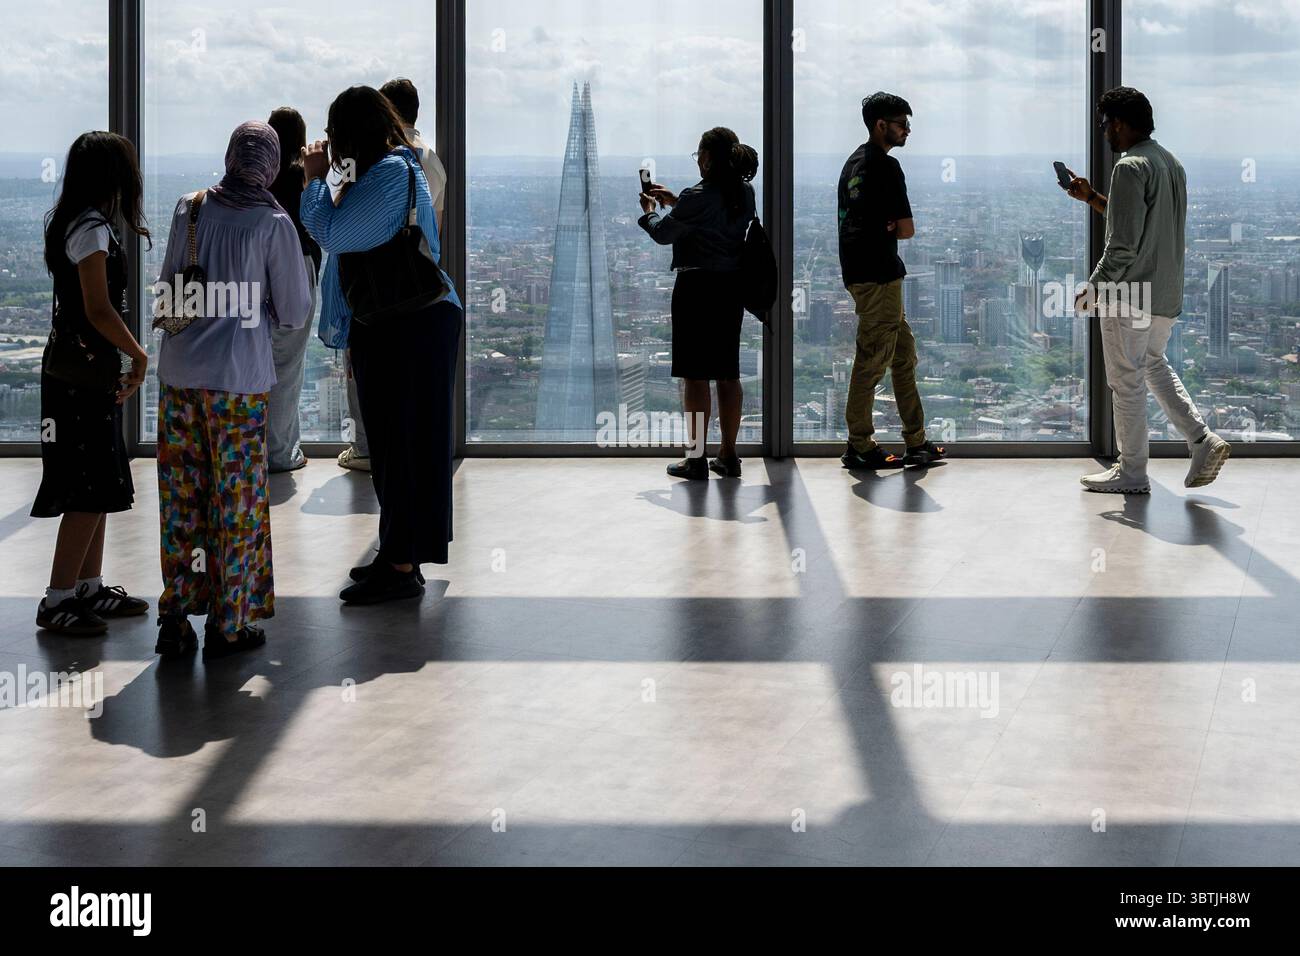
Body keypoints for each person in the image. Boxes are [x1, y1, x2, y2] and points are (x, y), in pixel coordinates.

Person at [153, 121, 312, 659]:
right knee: (236, 502)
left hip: (179, 377)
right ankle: (231, 621)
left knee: (183, 499)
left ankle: (175, 615)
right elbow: (292, 311)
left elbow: (172, 284)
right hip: (238, 384)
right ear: (269, 164)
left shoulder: (189, 207)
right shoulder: (273, 223)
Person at [300, 85, 463, 604]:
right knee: (396, 447)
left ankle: (400, 564)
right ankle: (398, 557)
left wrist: (313, 180)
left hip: (409, 326)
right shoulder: (386, 171)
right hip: (400, 323)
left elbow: (333, 234)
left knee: (405, 445)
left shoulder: (392, 173)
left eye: (334, 130)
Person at [1063, 87, 1230, 493]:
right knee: (1152, 366)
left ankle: (1132, 472)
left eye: (1105, 125)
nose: (1105, 133)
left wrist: (1093, 287)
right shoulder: (1170, 164)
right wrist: (1092, 198)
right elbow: (1140, 223)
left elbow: (1123, 243)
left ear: (1119, 123)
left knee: (1126, 382)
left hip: (1131, 295)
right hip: (1165, 294)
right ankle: (1202, 440)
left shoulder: (1129, 166)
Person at [31, 132, 151, 634]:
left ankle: (87, 587)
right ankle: (59, 598)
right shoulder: (93, 231)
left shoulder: (77, 222)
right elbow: (98, 307)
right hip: (82, 377)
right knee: (86, 489)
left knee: (95, 485)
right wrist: (138, 353)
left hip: (74, 371)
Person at [327, 77, 449, 476]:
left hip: (376, 295)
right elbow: (436, 230)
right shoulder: (428, 159)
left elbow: (335, 231)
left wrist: (321, 180)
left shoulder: (385, 165)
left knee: (366, 381)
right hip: (418, 287)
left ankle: (366, 449)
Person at [639, 126, 758, 479]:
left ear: (705, 159)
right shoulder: (744, 192)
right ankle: (729, 455)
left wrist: (650, 211)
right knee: (727, 373)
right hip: (730, 288)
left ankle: (695, 458)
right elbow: (715, 219)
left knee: (694, 377)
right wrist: (678, 203)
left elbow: (663, 234)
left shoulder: (698, 196)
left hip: (696, 288)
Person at [838, 92, 946, 471]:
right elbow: (907, 229)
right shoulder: (886, 167)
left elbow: (876, 224)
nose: (907, 130)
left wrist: (885, 227)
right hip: (880, 275)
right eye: (901, 123)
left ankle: (916, 441)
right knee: (872, 360)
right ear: (880, 125)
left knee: (902, 358)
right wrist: (888, 228)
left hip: (860, 272)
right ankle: (859, 445)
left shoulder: (852, 163)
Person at [265, 106, 323, 473]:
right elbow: (320, 225)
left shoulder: (258, 178)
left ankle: (262, 448)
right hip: (297, 269)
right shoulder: (300, 178)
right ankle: (281, 452)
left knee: (262, 363)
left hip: (257, 273)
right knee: (288, 366)